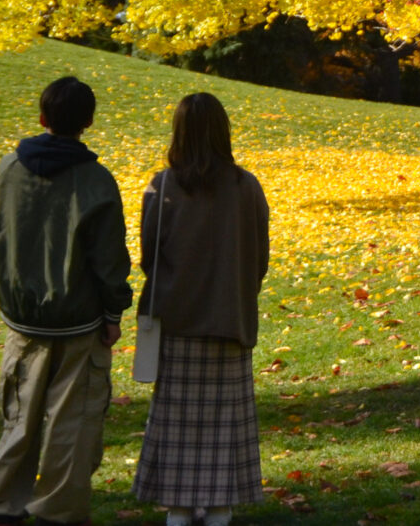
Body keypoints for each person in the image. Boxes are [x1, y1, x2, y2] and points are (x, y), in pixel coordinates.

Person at [0, 77, 133, 526]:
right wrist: (113, 312)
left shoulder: (10, 168)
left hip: (24, 319)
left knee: (20, 417)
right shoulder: (97, 181)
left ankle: (3, 506)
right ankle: (57, 512)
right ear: (88, 122)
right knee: (73, 423)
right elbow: (108, 256)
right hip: (79, 320)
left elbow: (1, 236)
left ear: (43, 117)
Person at [134, 92, 271, 526]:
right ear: (222, 131)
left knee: (177, 428)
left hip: (177, 321)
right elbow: (260, 257)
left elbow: (148, 255)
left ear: (180, 132)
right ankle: (218, 510)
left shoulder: (164, 185)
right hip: (229, 319)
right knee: (224, 427)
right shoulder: (246, 187)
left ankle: (178, 510)